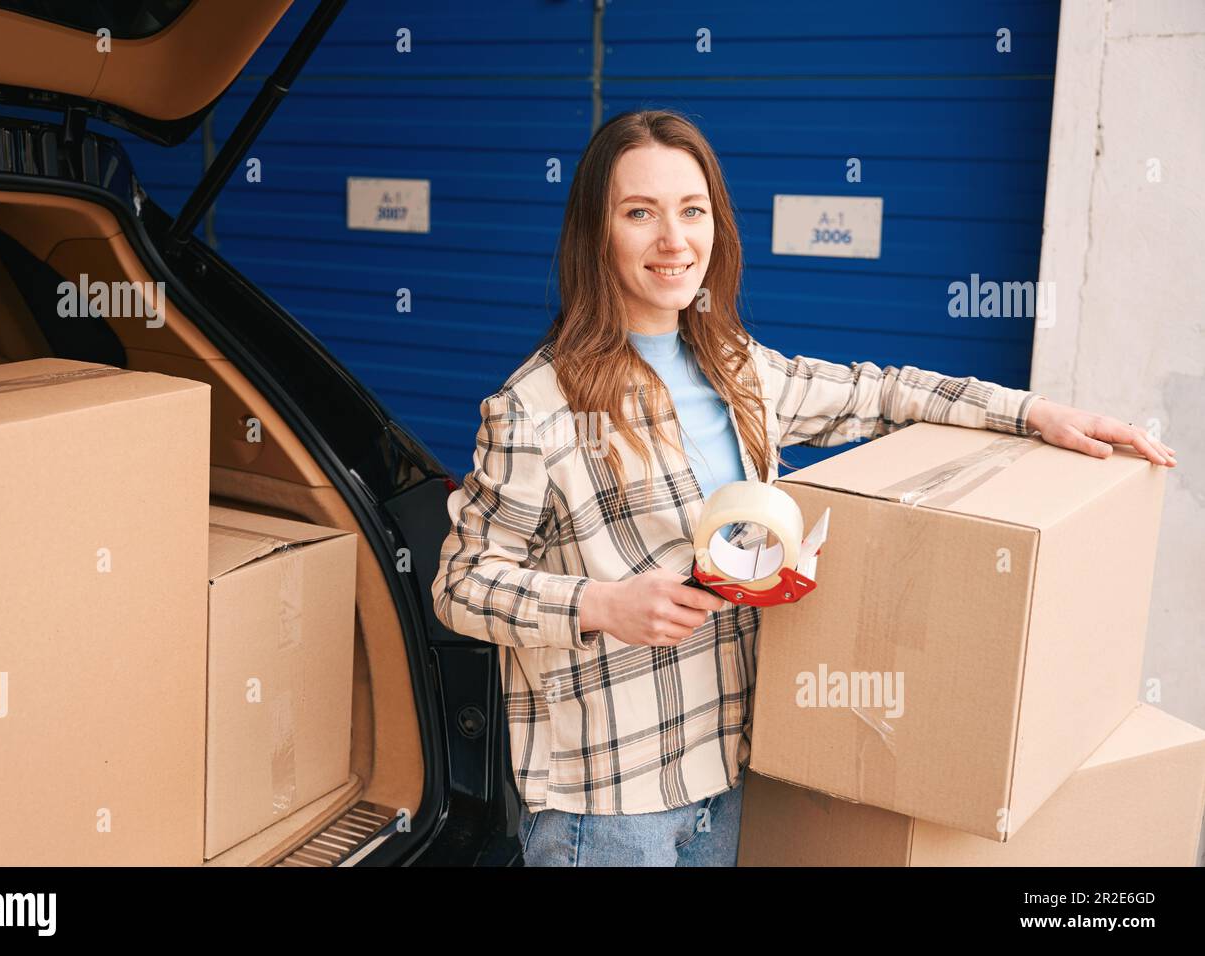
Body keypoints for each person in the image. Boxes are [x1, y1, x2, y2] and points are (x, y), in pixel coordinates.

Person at [430, 109, 1176, 868]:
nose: (674, 240)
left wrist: (1037, 412)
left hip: (732, 769)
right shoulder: (535, 407)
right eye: (639, 214)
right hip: (613, 801)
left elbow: (879, 395)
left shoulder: (735, 367)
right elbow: (460, 585)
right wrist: (602, 604)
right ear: (595, 231)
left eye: (692, 212)